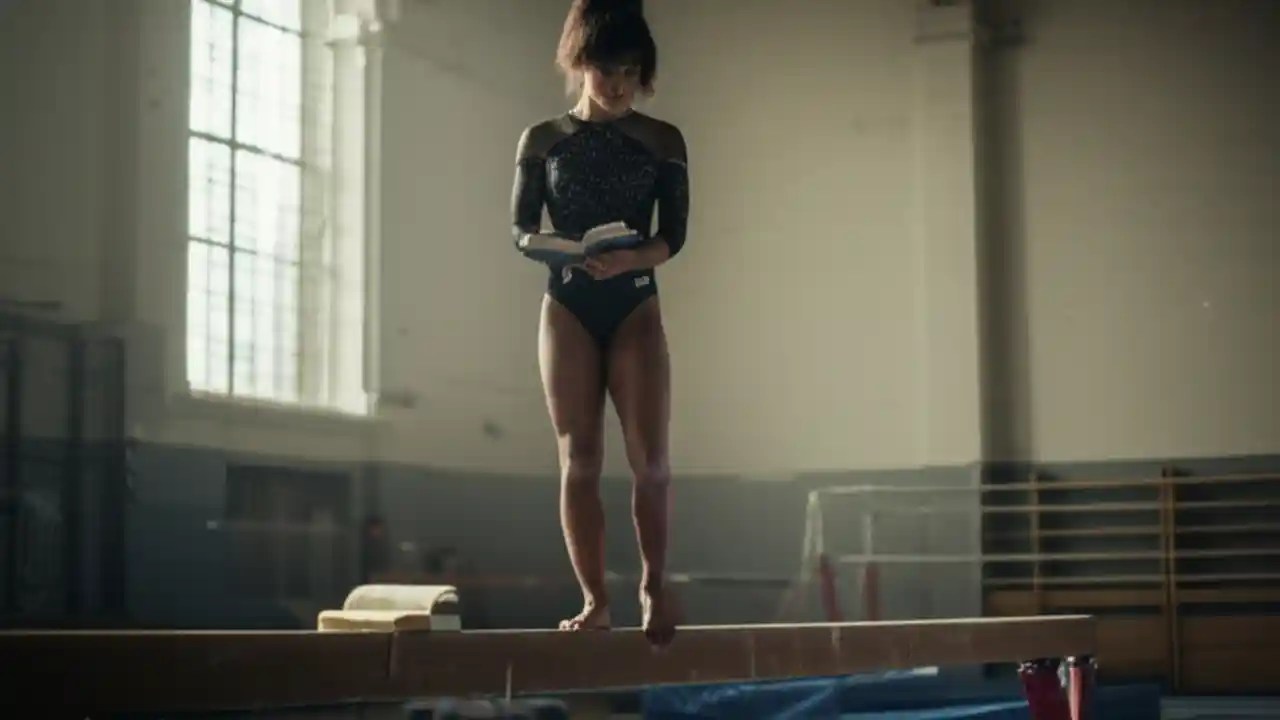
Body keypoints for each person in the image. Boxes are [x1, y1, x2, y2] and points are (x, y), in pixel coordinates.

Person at [508, 0, 689, 647]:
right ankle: (594, 601)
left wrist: (630, 258)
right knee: (578, 460)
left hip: (635, 299)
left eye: (630, 71)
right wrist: (556, 249)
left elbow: (675, 235)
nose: (618, 84)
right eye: (607, 69)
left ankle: (654, 584)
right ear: (580, 62)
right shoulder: (543, 139)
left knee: (652, 464)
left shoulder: (662, 139)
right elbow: (521, 229)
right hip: (567, 302)